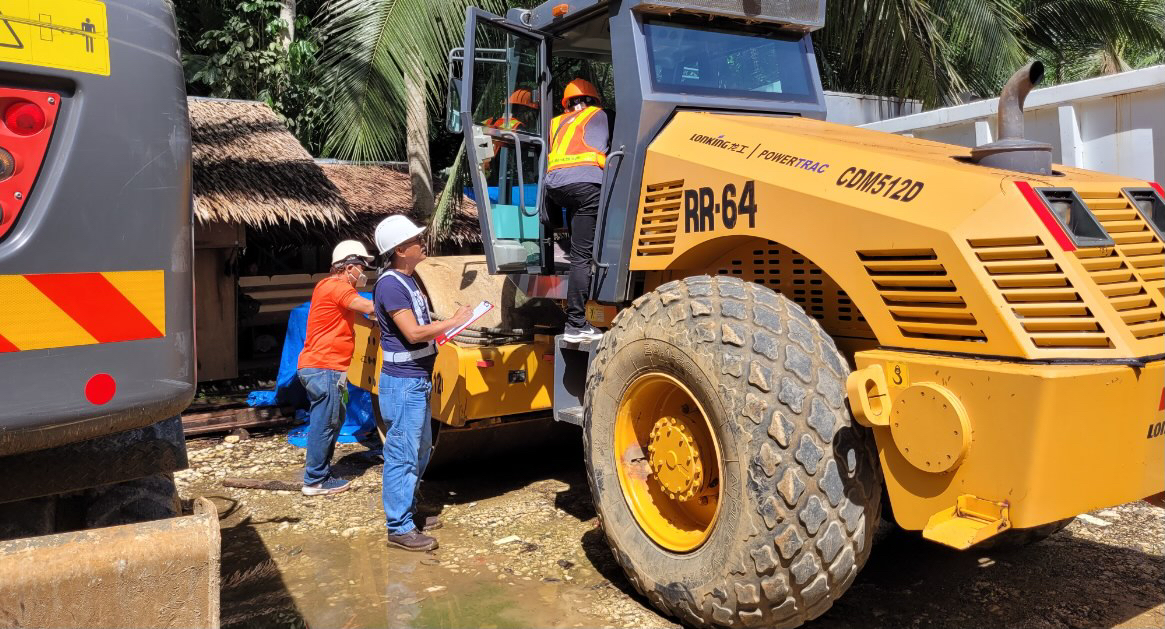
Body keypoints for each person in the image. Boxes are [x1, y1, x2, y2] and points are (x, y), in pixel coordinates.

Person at [373, 215, 472, 551]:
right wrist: (453, 323)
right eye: (416, 240)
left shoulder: (408, 280)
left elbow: (421, 324)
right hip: (403, 386)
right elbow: (413, 333)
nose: (422, 243)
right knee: (402, 454)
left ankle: (408, 513)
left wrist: (445, 323)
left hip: (414, 382)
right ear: (401, 250)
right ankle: (399, 528)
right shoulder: (390, 284)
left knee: (418, 451)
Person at [296, 240, 375, 496]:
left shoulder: (331, 289)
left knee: (332, 420)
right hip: (325, 368)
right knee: (325, 423)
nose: (364, 273)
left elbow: (362, 313)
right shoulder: (336, 286)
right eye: (362, 267)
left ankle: (320, 473)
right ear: (349, 266)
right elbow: (370, 307)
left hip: (327, 369)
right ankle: (315, 480)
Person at [545, 78, 610, 342]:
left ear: (567, 103)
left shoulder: (555, 123)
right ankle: (576, 323)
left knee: (577, 250)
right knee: (581, 257)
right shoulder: (601, 115)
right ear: (593, 99)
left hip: (557, 188)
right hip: (585, 186)